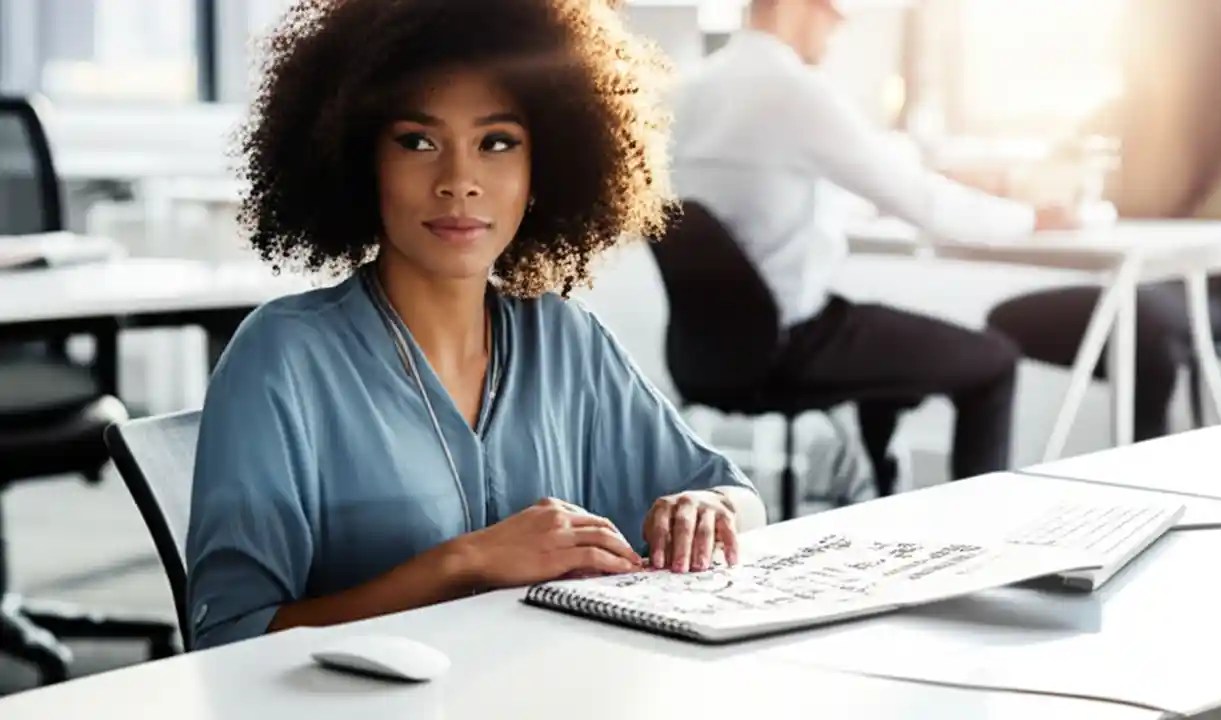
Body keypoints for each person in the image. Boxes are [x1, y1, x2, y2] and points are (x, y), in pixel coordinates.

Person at [185, 0, 765, 651]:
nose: (459, 181)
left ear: (541, 167)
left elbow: (738, 498)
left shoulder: (566, 339)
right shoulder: (282, 359)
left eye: (497, 143)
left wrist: (707, 508)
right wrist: (464, 563)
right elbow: (227, 638)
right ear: (357, 158)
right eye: (418, 142)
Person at [669, 0, 1076, 489]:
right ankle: (985, 542)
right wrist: (1032, 218)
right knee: (992, 362)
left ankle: (880, 500)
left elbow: (760, 198)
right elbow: (925, 203)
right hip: (789, 348)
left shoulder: (688, 93)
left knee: (882, 349)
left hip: (703, 357)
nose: (837, 31)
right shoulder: (794, 92)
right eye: (836, 17)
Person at [987, 0, 1221, 440]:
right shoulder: (1115, 117)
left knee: (1143, 325)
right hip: (1131, 283)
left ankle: (1146, 467)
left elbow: (1219, 230)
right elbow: (1049, 184)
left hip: (1214, 289)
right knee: (1005, 320)